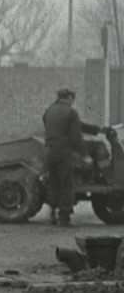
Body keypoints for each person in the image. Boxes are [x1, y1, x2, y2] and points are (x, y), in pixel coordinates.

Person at [42, 87, 83, 227]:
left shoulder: (49, 110)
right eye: (73, 99)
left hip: (49, 151)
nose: (73, 102)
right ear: (69, 98)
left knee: (53, 182)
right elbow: (76, 137)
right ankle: (64, 218)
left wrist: (95, 129)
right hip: (64, 152)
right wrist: (85, 154)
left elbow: (49, 125)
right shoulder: (71, 112)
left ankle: (52, 213)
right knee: (66, 184)